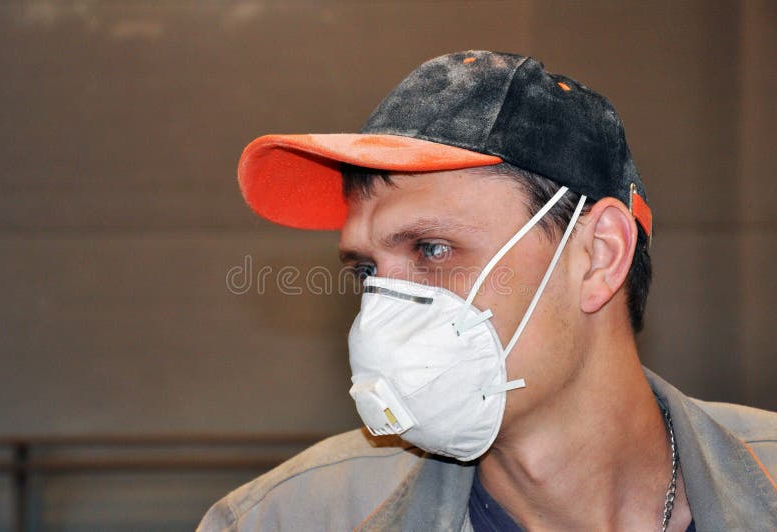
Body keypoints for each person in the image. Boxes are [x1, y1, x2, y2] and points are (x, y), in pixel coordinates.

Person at [198, 51, 777, 531]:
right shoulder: (284, 519)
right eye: (366, 272)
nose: (381, 314)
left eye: (432, 250)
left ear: (600, 256)